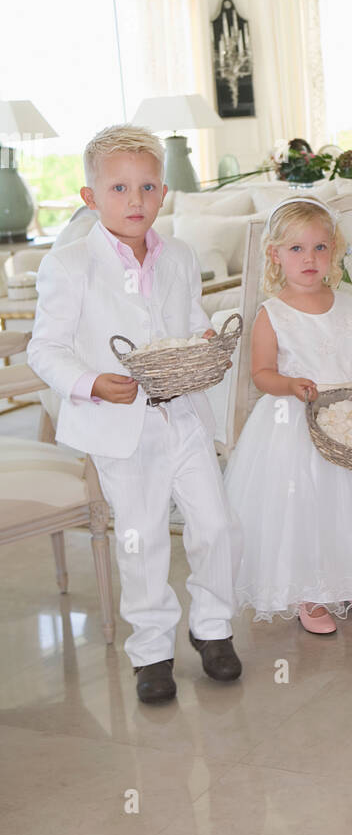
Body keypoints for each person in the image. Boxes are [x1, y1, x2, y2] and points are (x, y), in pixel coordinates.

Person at [28, 125, 242, 702]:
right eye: (119, 188)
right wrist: (91, 382)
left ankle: (212, 627)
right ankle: (151, 649)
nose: (135, 201)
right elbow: (44, 349)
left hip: (184, 415)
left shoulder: (179, 256)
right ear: (89, 197)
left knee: (215, 524)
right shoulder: (71, 264)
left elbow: (189, 319)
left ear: (164, 193)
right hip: (122, 427)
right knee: (142, 537)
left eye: (147, 187)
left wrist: (204, 343)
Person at [224, 196, 352, 633]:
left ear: (333, 251)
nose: (309, 258)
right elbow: (261, 373)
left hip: (350, 418)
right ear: (276, 255)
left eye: (319, 247)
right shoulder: (272, 314)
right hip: (296, 420)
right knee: (307, 509)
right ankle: (309, 592)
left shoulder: (349, 305)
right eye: (296, 249)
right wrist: (290, 386)